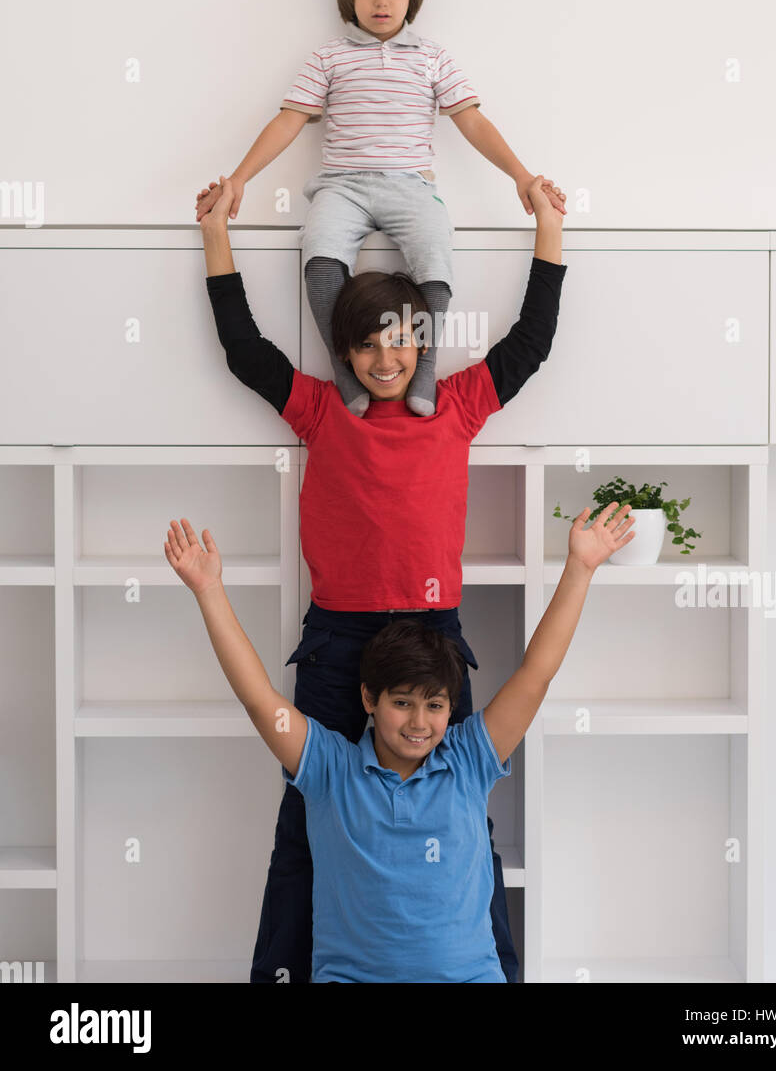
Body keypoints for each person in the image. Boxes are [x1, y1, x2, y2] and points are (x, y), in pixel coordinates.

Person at [200, 172, 567, 982]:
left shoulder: (458, 405)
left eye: (400, 338)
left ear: (423, 340)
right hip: (340, 638)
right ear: (344, 351)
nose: (384, 356)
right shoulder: (321, 410)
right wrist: (216, 235)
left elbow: (530, 342)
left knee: (468, 821)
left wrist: (546, 224)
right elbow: (244, 352)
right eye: (365, 343)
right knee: (305, 826)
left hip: (435, 634)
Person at [163, 498, 635, 982]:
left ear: (451, 709)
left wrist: (580, 568)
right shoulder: (330, 770)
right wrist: (209, 591)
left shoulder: (469, 759)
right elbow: (259, 699)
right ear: (369, 697)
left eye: (434, 706)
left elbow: (537, 674)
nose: (418, 722)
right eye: (402, 702)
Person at [194, 0, 566, 416]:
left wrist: (520, 176)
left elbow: (471, 121)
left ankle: (424, 366)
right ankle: (345, 368)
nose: (381, 0)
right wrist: (240, 178)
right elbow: (289, 121)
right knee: (319, 257)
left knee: (436, 257)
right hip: (342, 188)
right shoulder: (329, 57)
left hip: (410, 186)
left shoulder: (432, 58)